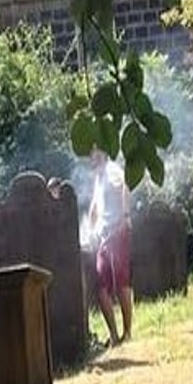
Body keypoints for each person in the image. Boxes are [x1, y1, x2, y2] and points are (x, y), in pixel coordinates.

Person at [88, 148, 133, 346]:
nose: (91, 156)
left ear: (102, 153)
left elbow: (125, 185)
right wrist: (90, 225)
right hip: (104, 235)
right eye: (90, 154)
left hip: (117, 231)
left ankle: (127, 332)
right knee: (100, 285)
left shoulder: (111, 169)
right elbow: (95, 207)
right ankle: (114, 335)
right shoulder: (98, 177)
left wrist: (125, 216)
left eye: (95, 152)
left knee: (121, 282)